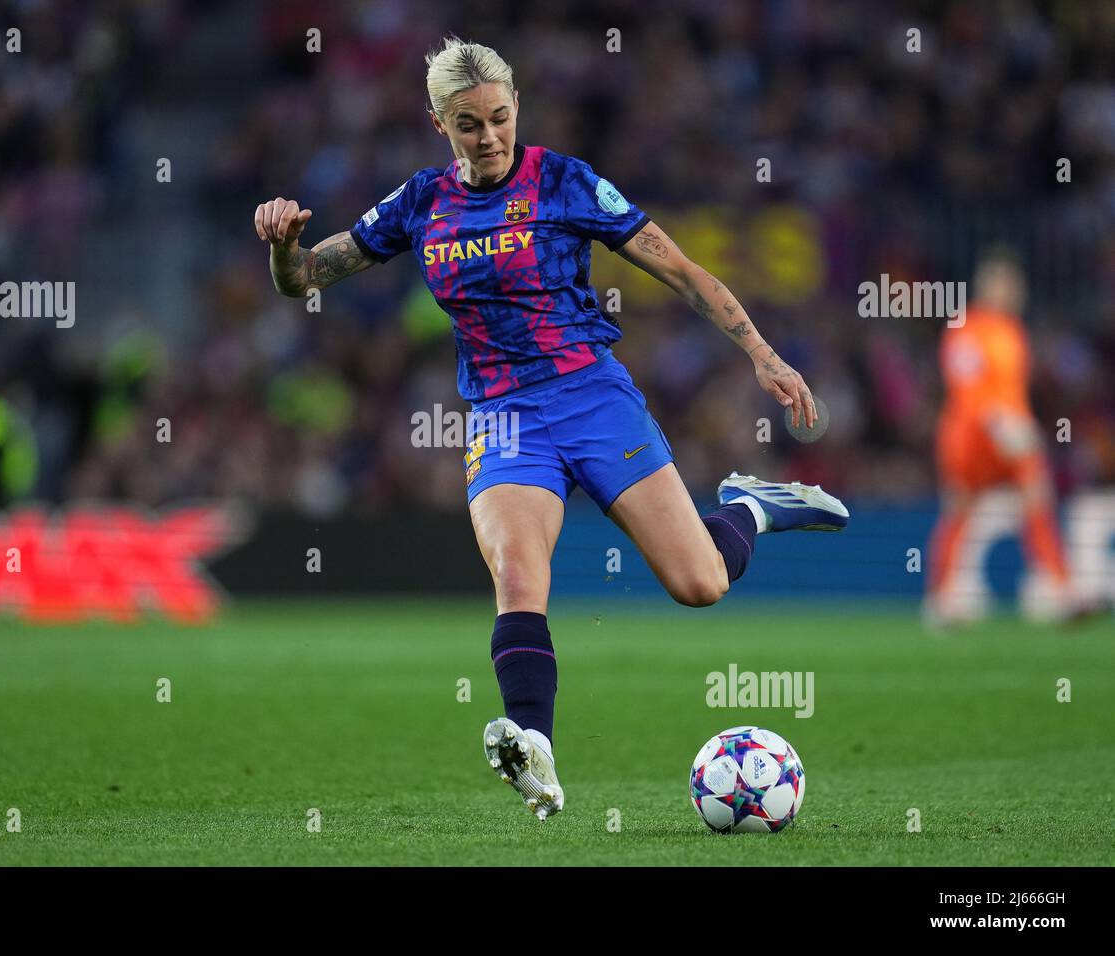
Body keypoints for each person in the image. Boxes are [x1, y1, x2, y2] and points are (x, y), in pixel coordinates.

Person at [255, 37, 847, 821]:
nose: (490, 137)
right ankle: (537, 751)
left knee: (700, 584)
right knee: (516, 573)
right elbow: (302, 282)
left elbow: (679, 269)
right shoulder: (420, 204)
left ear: (517, 109)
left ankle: (749, 506)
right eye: (469, 125)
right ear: (440, 124)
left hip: (593, 399)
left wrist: (762, 354)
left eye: (500, 118)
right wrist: (285, 248)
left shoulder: (564, 182)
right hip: (504, 416)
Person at [927, 248, 1086, 624]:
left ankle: (1061, 591)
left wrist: (1022, 425)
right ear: (989, 286)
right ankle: (941, 598)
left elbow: (1013, 390)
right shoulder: (965, 327)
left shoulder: (1014, 330)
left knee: (1037, 502)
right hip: (970, 438)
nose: (1016, 291)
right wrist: (999, 423)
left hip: (1013, 435)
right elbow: (966, 385)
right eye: (1009, 284)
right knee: (959, 510)